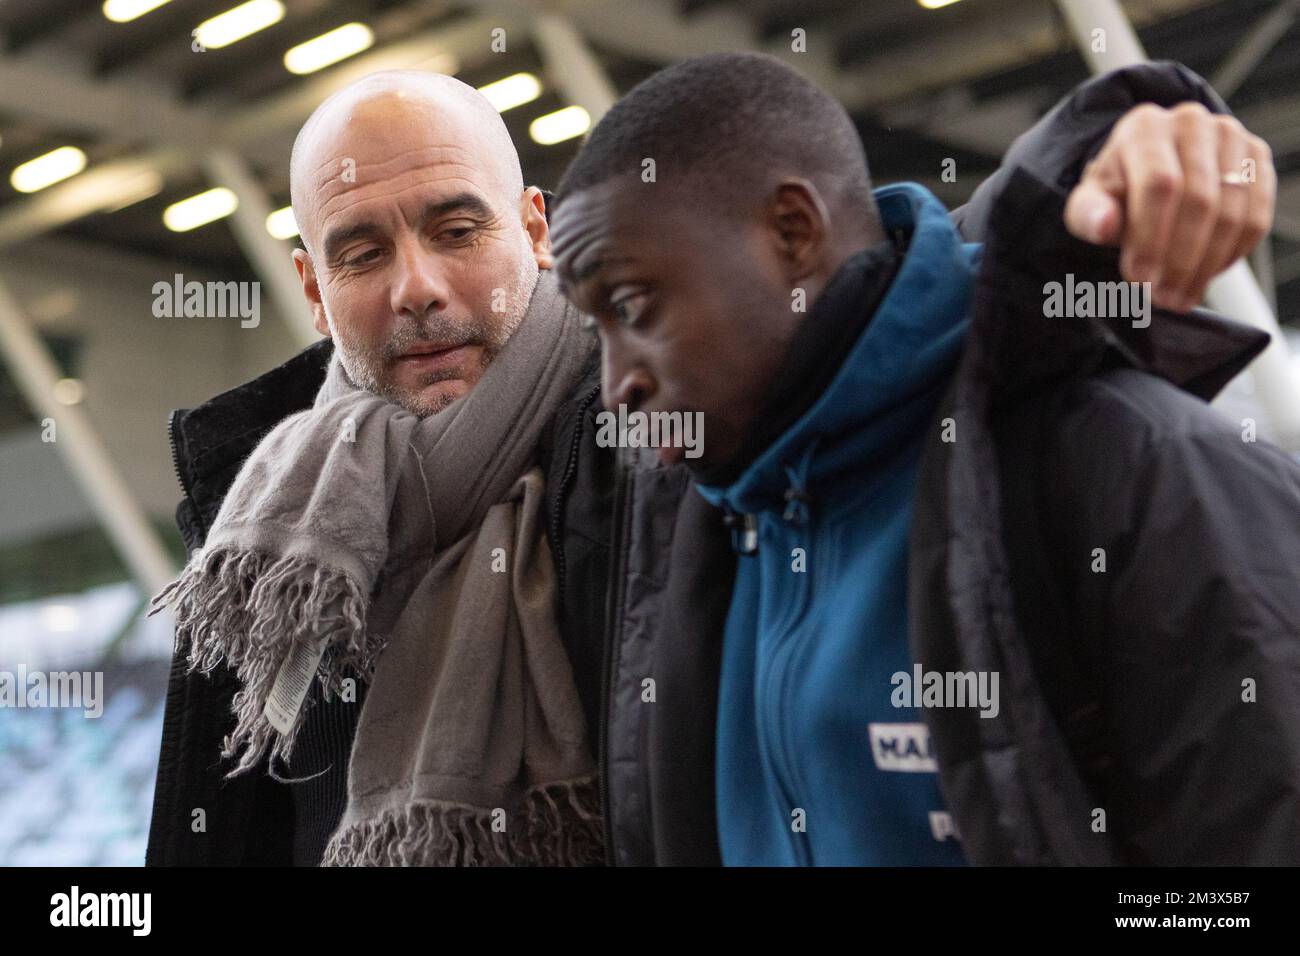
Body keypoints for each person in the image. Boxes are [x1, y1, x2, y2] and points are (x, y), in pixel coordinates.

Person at [144, 58, 1286, 866]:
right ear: (308, 287)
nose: (420, 288)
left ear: (533, 235)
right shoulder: (258, 551)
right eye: (360, 249)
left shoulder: (664, 452)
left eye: (456, 228)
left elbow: (891, 285)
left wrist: (1138, 127)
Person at [551, 52, 1300, 865]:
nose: (614, 383)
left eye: (632, 306)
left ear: (793, 233)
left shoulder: (1131, 468)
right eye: (597, 331)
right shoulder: (697, 529)